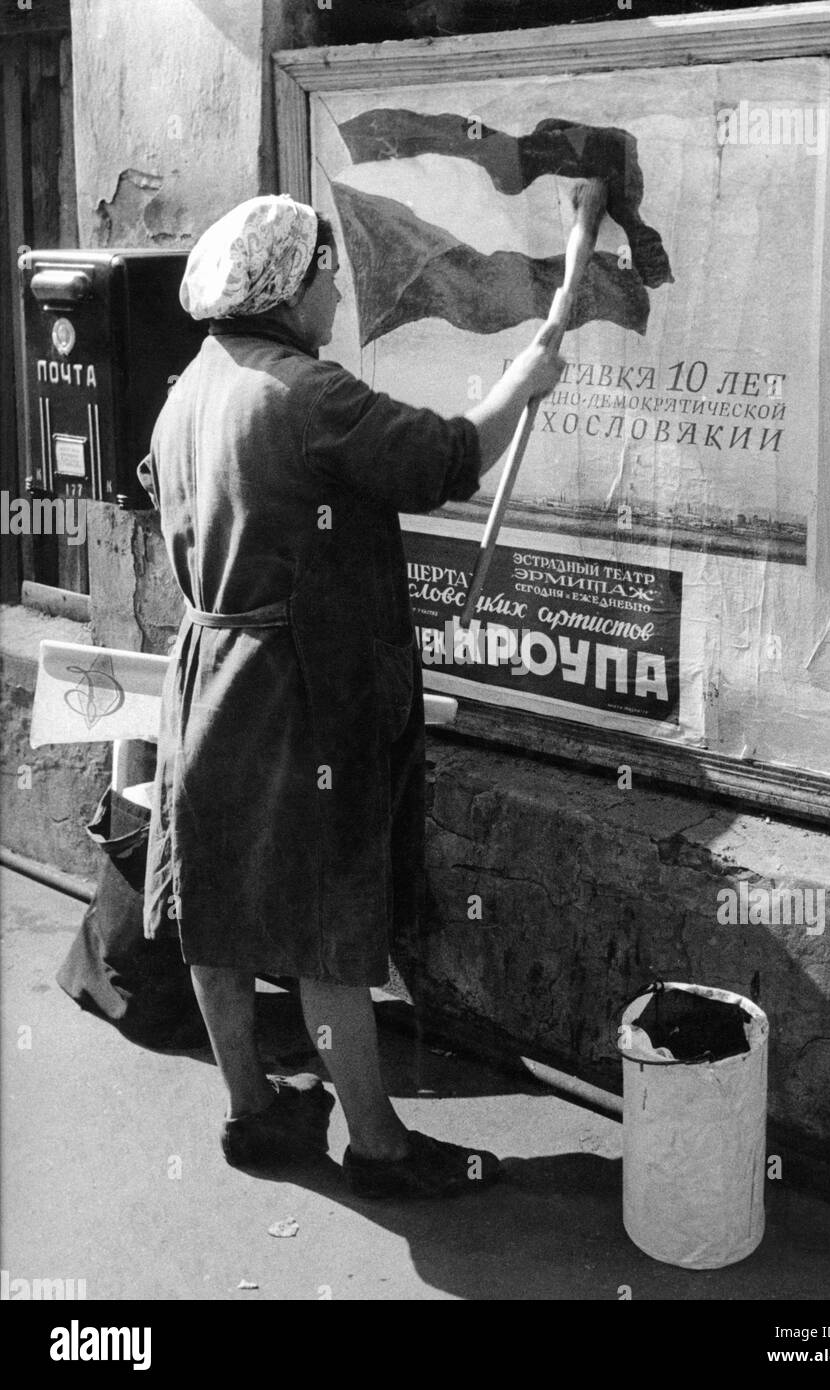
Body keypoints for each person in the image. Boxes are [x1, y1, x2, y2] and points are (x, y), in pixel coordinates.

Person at [138, 194, 564, 1199]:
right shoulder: (306, 393)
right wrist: (519, 379)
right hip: (298, 690)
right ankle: (377, 1144)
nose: (338, 288)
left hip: (206, 676)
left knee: (219, 906)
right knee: (327, 919)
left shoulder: (192, 385)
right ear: (287, 288)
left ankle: (253, 1111)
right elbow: (446, 458)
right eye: (328, 272)